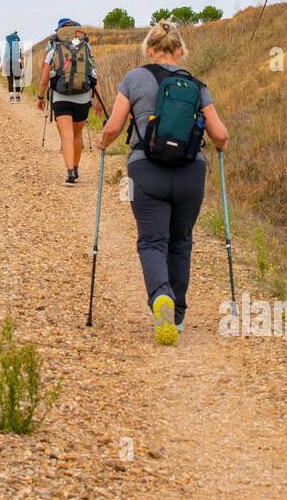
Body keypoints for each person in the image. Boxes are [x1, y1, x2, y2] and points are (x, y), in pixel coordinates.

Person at [96, 19, 228, 344]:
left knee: (152, 241)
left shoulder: (134, 78)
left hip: (146, 170)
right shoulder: (197, 86)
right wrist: (220, 147)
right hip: (190, 173)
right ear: (180, 51)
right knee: (181, 241)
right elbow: (220, 135)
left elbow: (114, 127)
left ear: (150, 50)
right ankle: (178, 316)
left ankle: (160, 297)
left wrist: (102, 144)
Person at [36, 18, 96, 185]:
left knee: (67, 136)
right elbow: (93, 73)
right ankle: (76, 169)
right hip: (83, 98)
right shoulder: (86, 47)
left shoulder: (54, 49)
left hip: (60, 97)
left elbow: (44, 79)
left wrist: (40, 98)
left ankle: (70, 174)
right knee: (77, 135)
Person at [3, 31, 23, 101]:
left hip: (8, 63)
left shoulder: (7, 44)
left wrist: (5, 66)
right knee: (17, 80)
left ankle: (11, 97)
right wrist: (22, 66)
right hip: (17, 63)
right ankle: (18, 96)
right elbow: (21, 56)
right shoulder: (18, 44)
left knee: (10, 81)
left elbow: (5, 55)